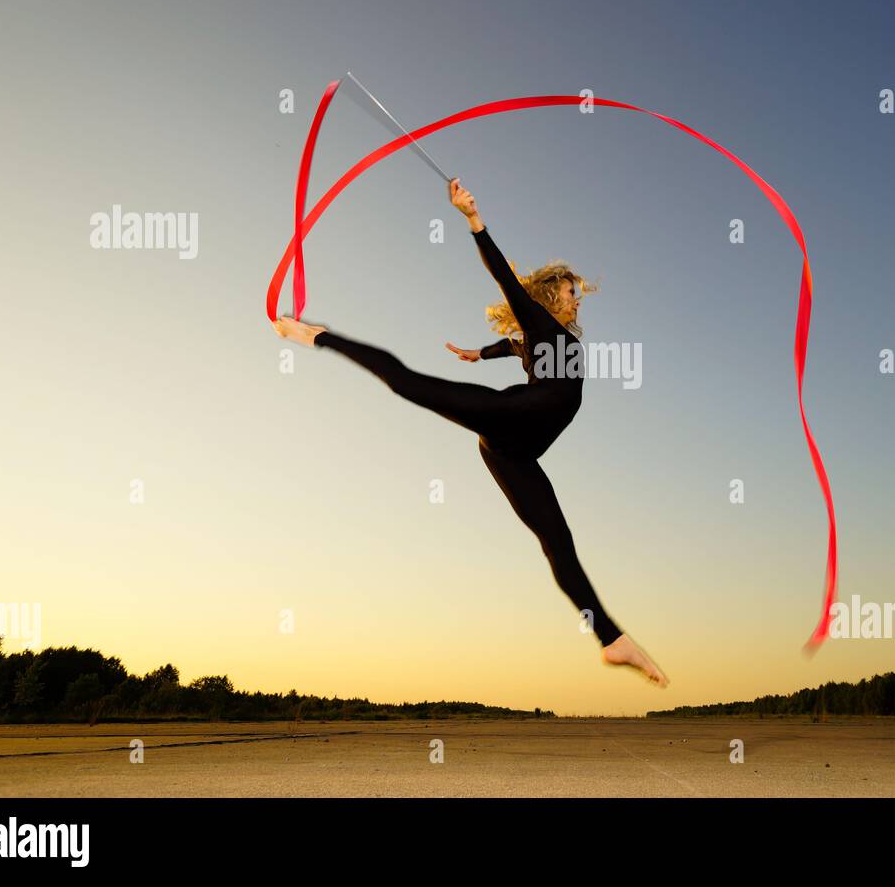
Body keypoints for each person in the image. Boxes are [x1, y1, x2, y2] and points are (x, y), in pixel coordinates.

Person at [274, 178, 669, 687]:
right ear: (552, 295)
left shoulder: (539, 340)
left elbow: (509, 348)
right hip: (512, 419)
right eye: (572, 292)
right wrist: (472, 218)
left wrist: (475, 354)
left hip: (517, 454)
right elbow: (504, 277)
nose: (577, 299)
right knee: (407, 383)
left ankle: (612, 640)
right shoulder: (541, 324)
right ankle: (313, 334)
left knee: (558, 543)